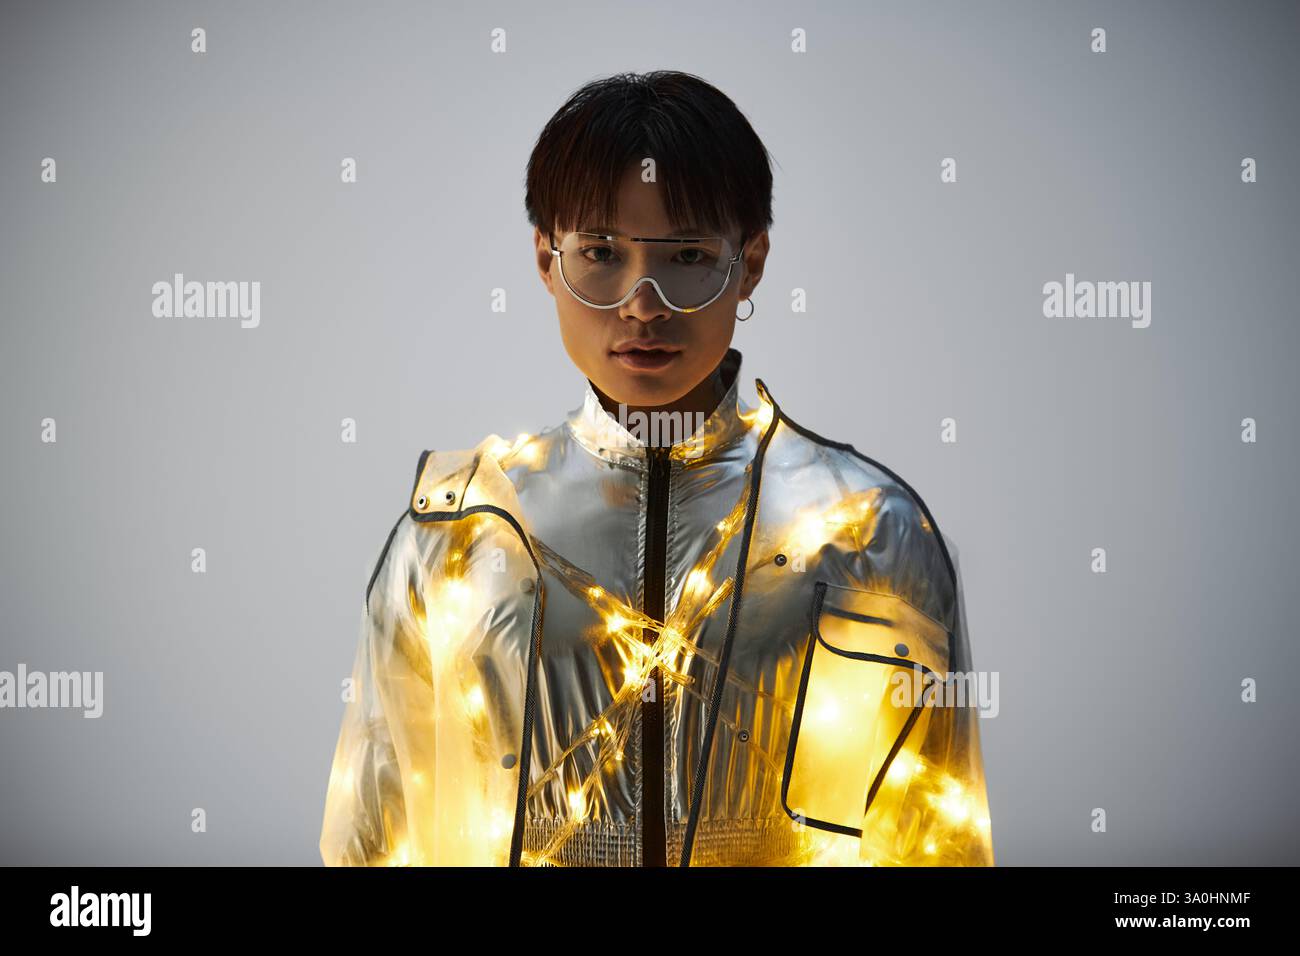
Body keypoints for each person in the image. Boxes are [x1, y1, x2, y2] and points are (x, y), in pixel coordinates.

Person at [319, 70, 994, 867]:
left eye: (688, 255)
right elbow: (374, 837)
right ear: (546, 260)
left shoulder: (868, 530)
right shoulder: (460, 532)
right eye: (601, 253)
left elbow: (936, 839)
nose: (644, 303)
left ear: (750, 263)